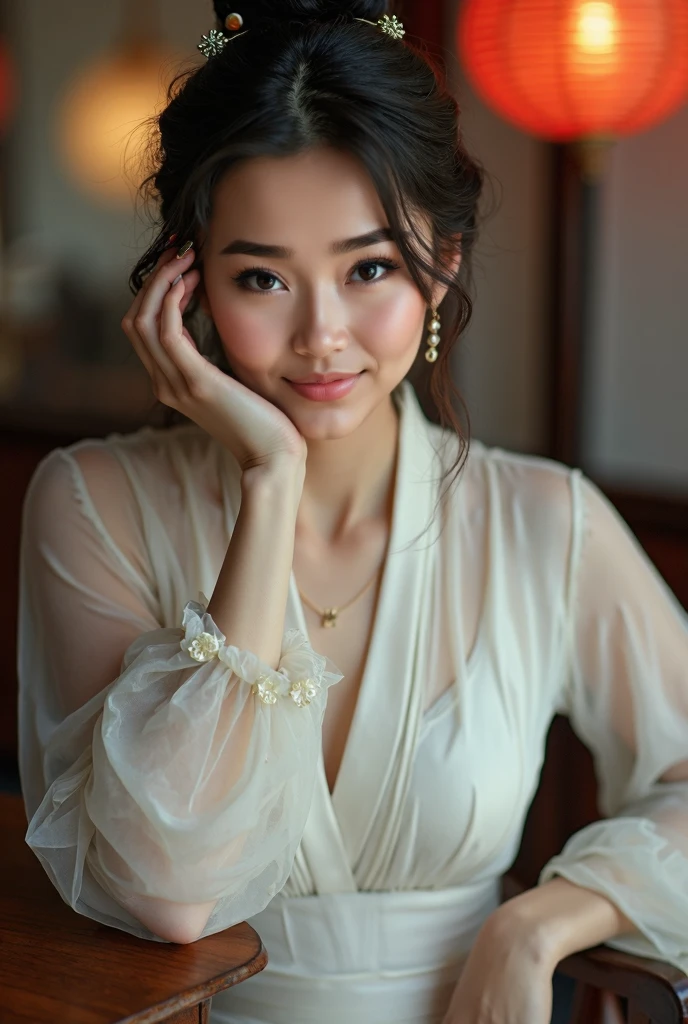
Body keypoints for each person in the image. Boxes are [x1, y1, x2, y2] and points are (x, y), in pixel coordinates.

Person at [17, 1, 688, 1022]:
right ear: (187, 283)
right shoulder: (91, 504)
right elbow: (169, 890)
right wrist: (269, 479)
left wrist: (542, 920)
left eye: (368, 268)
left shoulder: (545, 524)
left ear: (444, 261)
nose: (321, 335)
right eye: (260, 278)